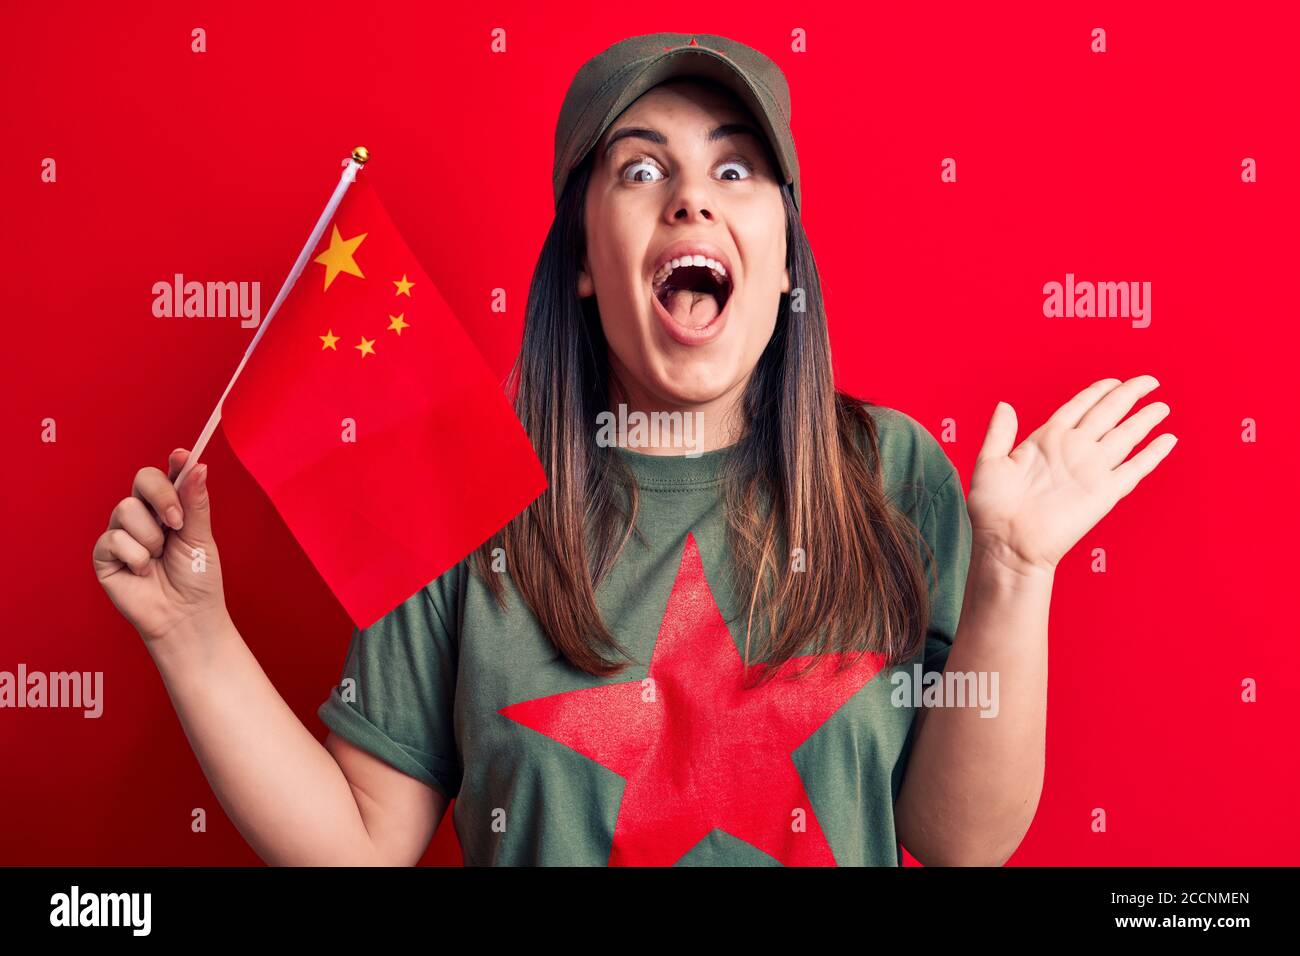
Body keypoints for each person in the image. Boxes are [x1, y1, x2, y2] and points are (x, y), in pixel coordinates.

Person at [92, 32, 1175, 866]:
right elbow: (365, 838)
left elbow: (958, 837)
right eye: (641, 170)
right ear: (581, 259)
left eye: (738, 171)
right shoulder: (466, 491)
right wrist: (192, 634)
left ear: (786, 260)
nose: (693, 195)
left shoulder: (891, 475)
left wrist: (1012, 575)